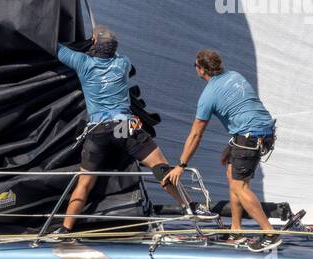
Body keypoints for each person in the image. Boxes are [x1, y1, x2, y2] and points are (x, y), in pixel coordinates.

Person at [51, 26, 212, 239]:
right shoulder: (123, 63)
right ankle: (187, 206)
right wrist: (98, 42)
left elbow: (56, 48)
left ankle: (66, 228)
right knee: (160, 168)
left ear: (94, 45)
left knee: (85, 182)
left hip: (98, 130)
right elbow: (112, 53)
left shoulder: (83, 64)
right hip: (123, 127)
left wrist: (87, 41)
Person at [164, 49, 280, 251]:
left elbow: (195, 135)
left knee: (240, 187)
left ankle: (269, 232)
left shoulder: (208, 95)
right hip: (264, 132)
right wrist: (232, 145)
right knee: (231, 174)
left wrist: (181, 165)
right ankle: (236, 229)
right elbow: (246, 110)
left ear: (201, 69)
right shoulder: (235, 76)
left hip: (250, 137)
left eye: (195, 66)